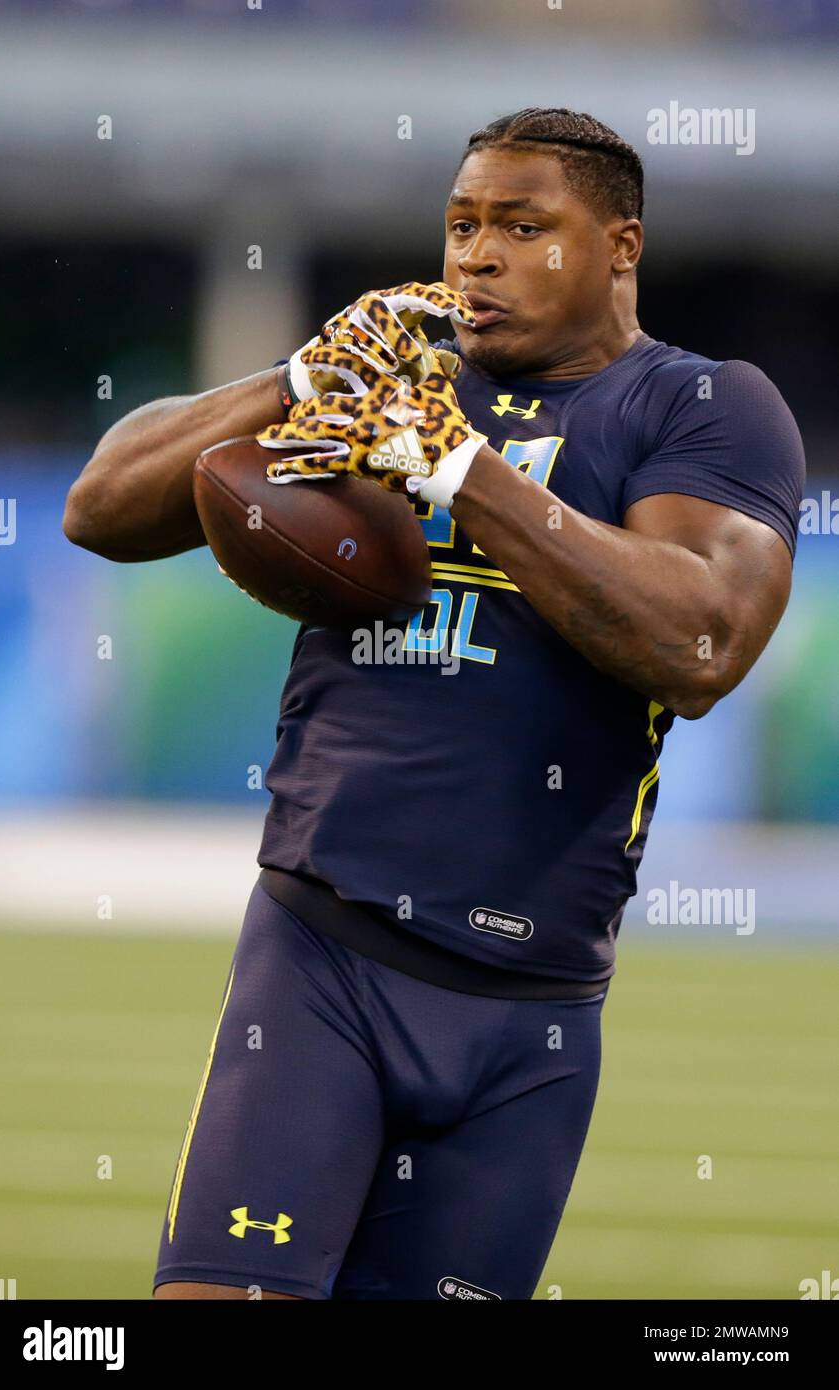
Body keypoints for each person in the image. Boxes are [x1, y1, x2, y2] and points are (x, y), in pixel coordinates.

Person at [63, 107, 805, 1301]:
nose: (477, 255)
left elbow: (700, 640)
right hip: (324, 950)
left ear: (619, 246)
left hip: (535, 1007)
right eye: (461, 225)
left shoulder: (700, 406)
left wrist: (461, 468)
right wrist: (302, 374)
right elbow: (99, 507)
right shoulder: (382, 383)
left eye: (523, 226)